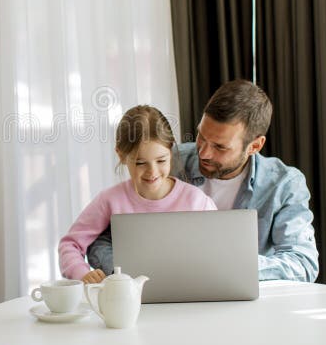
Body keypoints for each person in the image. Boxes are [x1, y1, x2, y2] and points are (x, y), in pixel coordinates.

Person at [87, 80, 320, 282]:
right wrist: (126, 273)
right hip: (168, 295)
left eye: (220, 146)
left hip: (244, 303)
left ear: (255, 146)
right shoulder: (167, 163)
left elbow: (303, 262)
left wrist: (231, 265)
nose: (204, 152)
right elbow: (102, 241)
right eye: (201, 136)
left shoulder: (283, 184)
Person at [59, 105, 217, 284]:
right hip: (129, 297)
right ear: (121, 155)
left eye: (161, 160)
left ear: (171, 150)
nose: (152, 172)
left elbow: (217, 252)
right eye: (140, 163)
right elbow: (69, 245)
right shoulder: (110, 200)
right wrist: (82, 273)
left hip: (189, 291)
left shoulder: (197, 200)